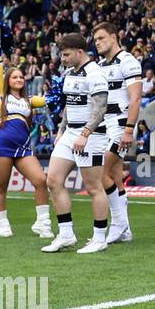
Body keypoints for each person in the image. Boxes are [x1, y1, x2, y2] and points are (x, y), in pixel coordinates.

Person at [40, 34, 112, 254]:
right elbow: (69, 106)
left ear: (80, 52)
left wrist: (85, 133)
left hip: (92, 135)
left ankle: (100, 238)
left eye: (66, 54)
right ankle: (66, 234)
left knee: (93, 187)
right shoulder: (69, 73)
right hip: (70, 133)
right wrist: (61, 131)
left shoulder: (95, 73)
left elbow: (100, 108)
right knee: (53, 181)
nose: (63, 58)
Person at [0, 51, 53, 240]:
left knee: (41, 180)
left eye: (21, 76)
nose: (19, 79)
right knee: (0, 187)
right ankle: (2, 224)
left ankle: (43, 222)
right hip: (2, 147)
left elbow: (49, 100)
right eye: (14, 77)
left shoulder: (29, 101)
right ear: (8, 81)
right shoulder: (1, 97)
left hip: (23, 148)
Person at [92, 22, 142, 245]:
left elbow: (136, 98)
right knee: (113, 176)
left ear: (114, 37)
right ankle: (126, 230)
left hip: (121, 125)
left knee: (99, 173)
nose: (98, 43)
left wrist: (129, 129)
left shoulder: (128, 61)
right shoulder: (101, 65)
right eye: (95, 40)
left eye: (101, 38)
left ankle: (118, 224)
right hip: (105, 125)